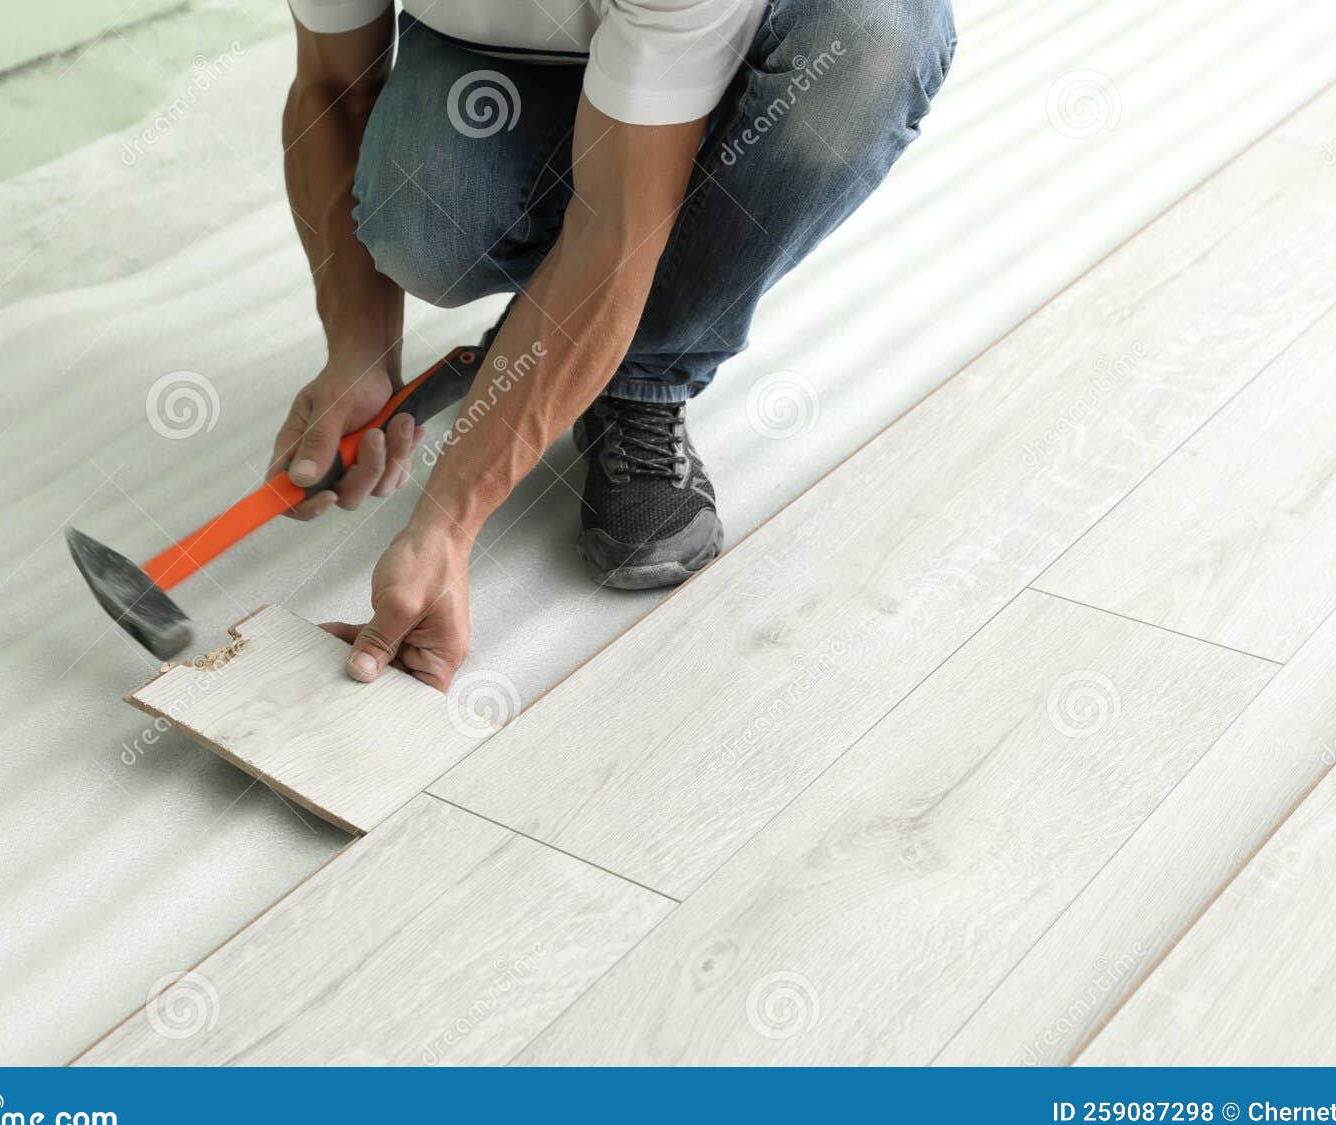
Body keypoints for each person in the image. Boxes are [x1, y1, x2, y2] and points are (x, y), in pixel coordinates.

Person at [269, 0, 955, 690]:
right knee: (424, 222)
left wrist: (446, 523)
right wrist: (357, 351)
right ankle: (569, 327)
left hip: (782, 24)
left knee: (872, 43)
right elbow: (333, 90)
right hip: (541, 44)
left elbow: (615, 225)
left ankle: (642, 368)